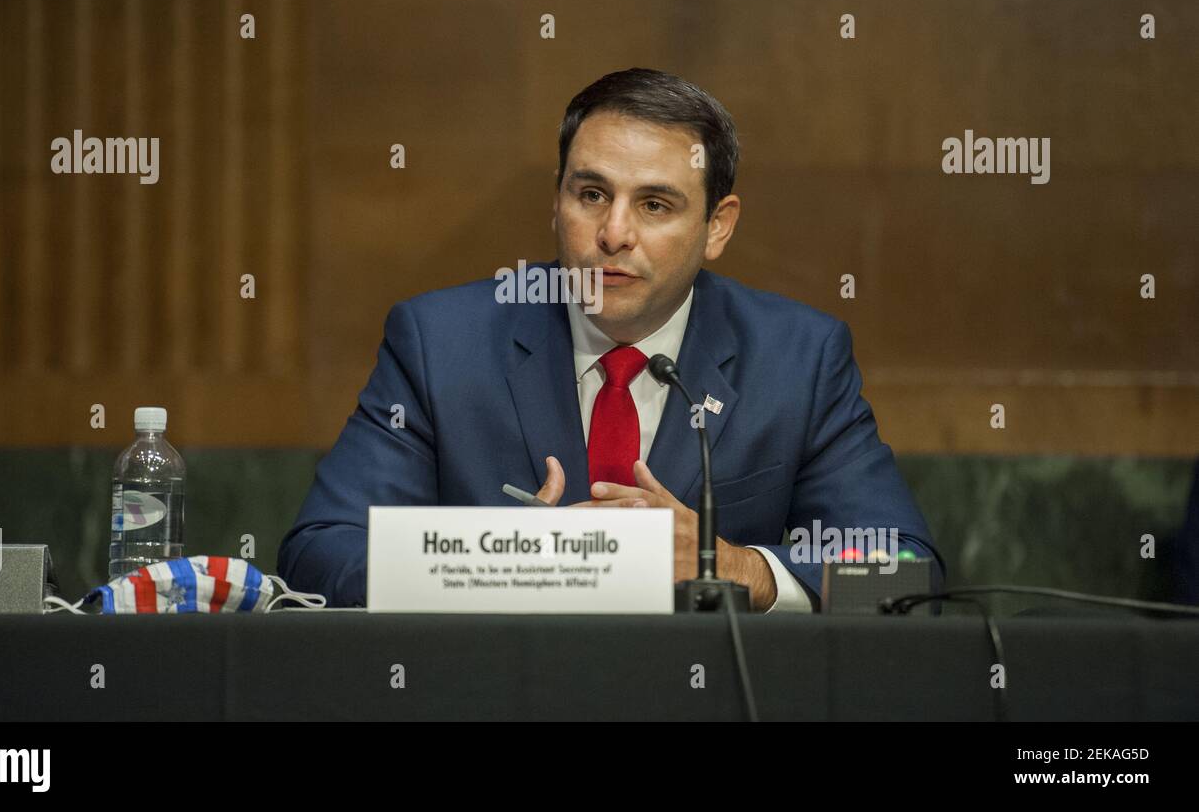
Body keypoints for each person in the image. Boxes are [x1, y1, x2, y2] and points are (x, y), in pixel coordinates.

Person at [279, 67, 943, 610]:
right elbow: (318, 554)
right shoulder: (439, 343)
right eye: (591, 194)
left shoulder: (799, 359)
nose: (614, 233)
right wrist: (497, 559)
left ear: (718, 225)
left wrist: (735, 566)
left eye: (655, 205)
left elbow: (906, 575)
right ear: (556, 200)